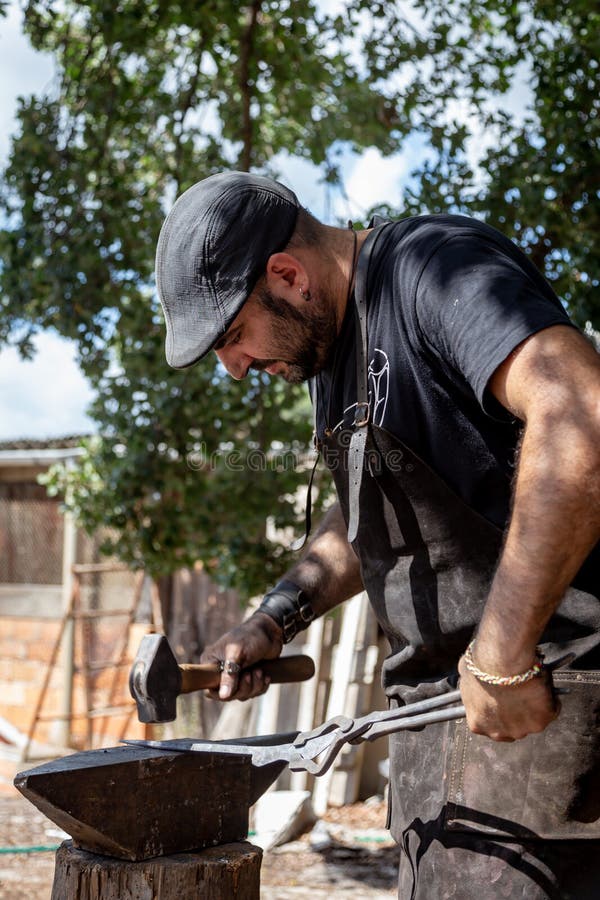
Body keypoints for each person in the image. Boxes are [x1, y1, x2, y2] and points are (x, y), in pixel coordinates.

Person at [155, 171, 600, 898]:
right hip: (441, 754)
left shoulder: (434, 266)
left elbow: (580, 412)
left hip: (550, 728)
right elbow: (368, 514)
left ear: (288, 275)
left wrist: (503, 652)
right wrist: (274, 618)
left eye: (233, 336)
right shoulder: (329, 359)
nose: (235, 369)